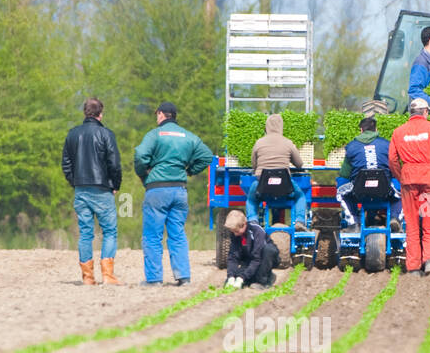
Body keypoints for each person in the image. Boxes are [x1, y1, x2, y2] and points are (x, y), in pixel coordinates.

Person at [133, 101, 212, 286]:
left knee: (153, 236)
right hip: (180, 190)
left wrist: (143, 174)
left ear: (160, 114)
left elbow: (140, 155)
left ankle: (154, 279)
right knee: (177, 234)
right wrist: (190, 171)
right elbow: (207, 156)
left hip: (157, 190)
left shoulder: (155, 134)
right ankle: (183, 277)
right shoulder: (188, 136)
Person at [62, 97, 123, 285]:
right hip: (102, 189)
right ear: (100, 114)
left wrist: (76, 182)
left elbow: (66, 163)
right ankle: (108, 275)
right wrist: (115, 185)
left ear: (85, 112)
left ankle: (88, 277)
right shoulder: (106, 134)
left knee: (86, 234)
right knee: (110, 232)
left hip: (81, 190)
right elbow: (114, 164)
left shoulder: (72, 134)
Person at [388, 97, 430, 275]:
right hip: (428, 183)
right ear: (425, 112)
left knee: (412, 224)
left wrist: (402, 176)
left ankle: (414, 267)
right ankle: (429, 261)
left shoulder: (399, 132)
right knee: (429, 221)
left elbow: (392, 159)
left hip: (409, 182)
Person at [335, 116, 399, 228]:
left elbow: (344, 174)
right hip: (384, 191)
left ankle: (354, 222)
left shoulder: (351, 147)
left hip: (359, 192)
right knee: (401, 194)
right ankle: (394, 218)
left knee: (342, 192)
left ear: (361, 130)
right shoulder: (387, 145)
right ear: (376, 129)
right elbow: (395, 169)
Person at [246, 114, 307, 230]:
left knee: (251, 198)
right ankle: (299, 221)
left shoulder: (259, 143)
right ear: (281, 127)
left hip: (263, 187)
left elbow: (254, 165)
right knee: (300, 196)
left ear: (266, 127)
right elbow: (299, 164)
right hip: (285, 187)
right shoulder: (288, 143)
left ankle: (253, 220)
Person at [223, 209, 278, 289]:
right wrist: (231, 276)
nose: (235, 234)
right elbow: (233, 257)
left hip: (264, 258)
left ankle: (264, 280)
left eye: (236, 231)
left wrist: (242, 278)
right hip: (249, 259)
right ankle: (254, 278)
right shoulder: (235, 235)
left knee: (268, 250)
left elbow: (257, 259)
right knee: (238, 278)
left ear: (244, 224)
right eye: (233, 231)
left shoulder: (257, 231)